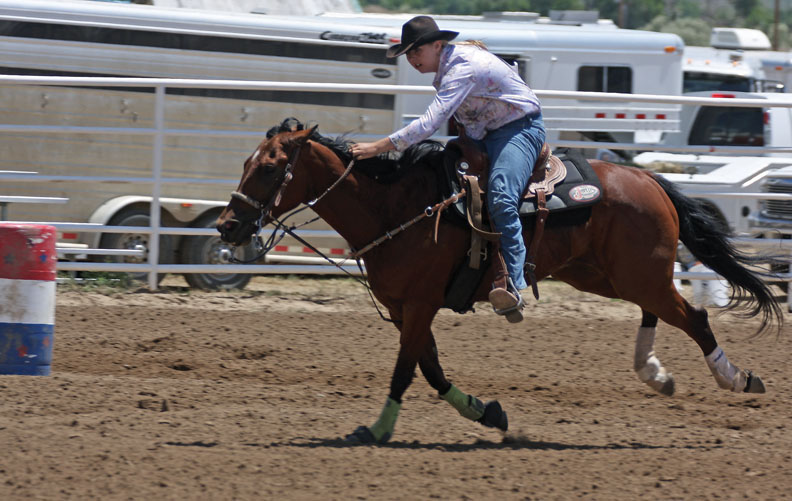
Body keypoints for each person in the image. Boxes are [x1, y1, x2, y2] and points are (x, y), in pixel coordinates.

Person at [350, 15, 545, 323]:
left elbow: (428, 124)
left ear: (437, 45)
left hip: (519, 129)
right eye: (408, 53)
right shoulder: (449, 68)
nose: (412, 58)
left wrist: (376, 148)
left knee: (502, 197)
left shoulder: (460, 69)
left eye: (416, 51)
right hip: (486, 131)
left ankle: (513, 281)